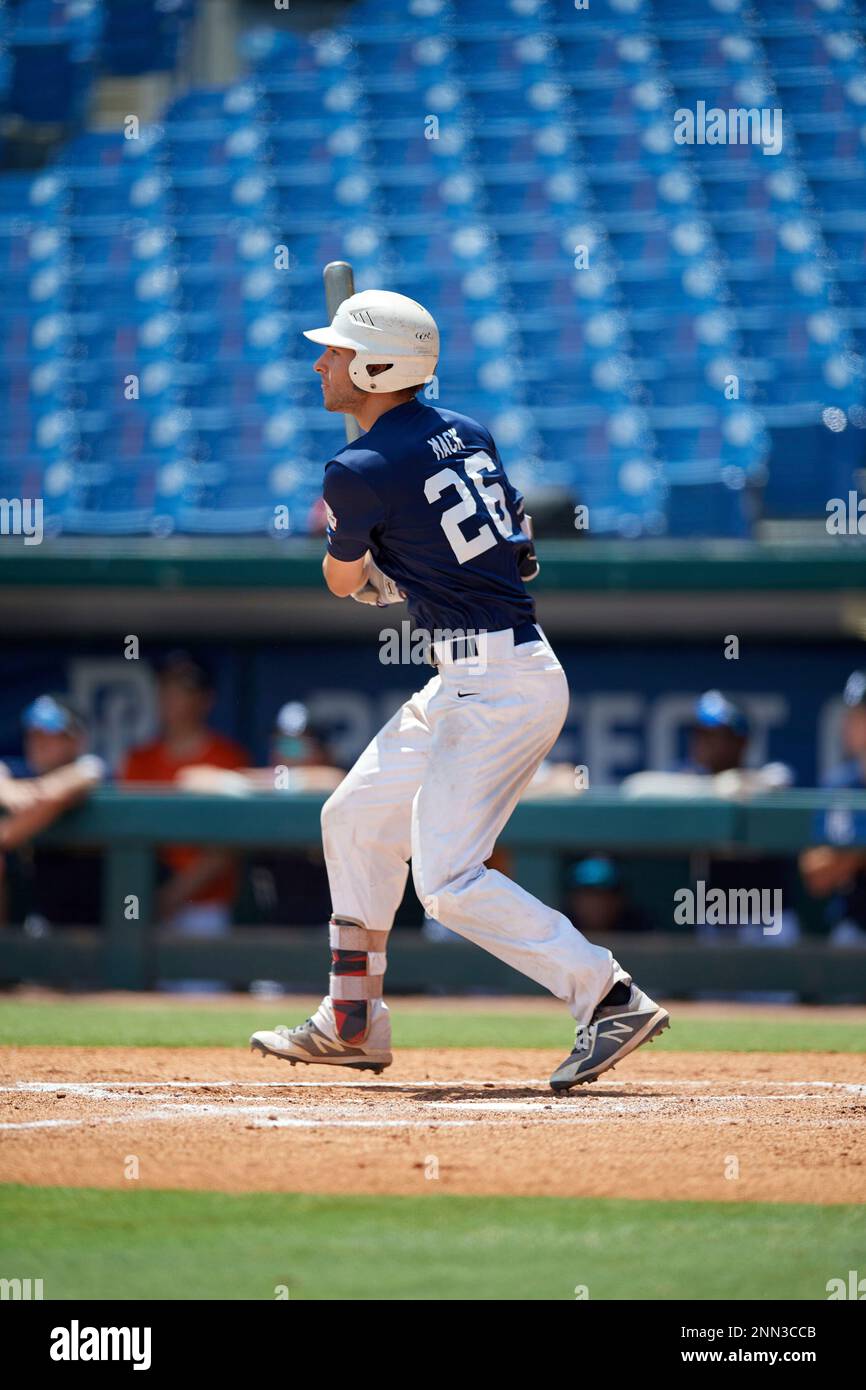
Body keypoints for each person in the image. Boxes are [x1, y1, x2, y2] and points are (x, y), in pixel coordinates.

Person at [250, 288, 669, 1091]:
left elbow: (341, 583)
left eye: (337, 351)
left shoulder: (356, 468)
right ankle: (352, 1017)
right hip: (482, 669)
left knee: (447, 882)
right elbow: (504, 550)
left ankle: (608, 994)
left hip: (497, 685)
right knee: (355, 816)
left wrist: (369, 564)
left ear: (379, 365)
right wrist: (398, 570)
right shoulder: (466, 433)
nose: (322, 362)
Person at [121, 652, 248, 989]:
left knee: (200, 1001)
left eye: (181, 688)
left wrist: (169, 898)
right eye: (165, 686)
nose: (170, 696)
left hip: (202, 908)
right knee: (127, 1001)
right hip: (141, 905)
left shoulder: (226, 758)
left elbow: (225, 850)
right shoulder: (139, 760)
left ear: (205, 699)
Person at [177, 700, 343, 926]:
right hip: (265, 934)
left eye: (295, 747)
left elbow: (329, 780)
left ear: (323, 752)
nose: (284, 754)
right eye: (279, 744)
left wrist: (272, 784)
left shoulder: (334, 783)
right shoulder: (262, 790)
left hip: (329, 933)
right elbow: (191, 779)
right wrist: (245, 784)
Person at [0, 695, 106, 932]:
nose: (38, 742)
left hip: (95, 924)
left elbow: (64, 787)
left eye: (50, 734)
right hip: (38, 921)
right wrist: (7, 789)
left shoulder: (88, 767)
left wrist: (23, 796)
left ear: (76, 740)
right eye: (33, 734)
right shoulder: (21, 772)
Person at [800, 671, 866, 943]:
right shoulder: (841, 784)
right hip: (856, 924)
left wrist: (848, 853)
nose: (853, 723)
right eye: (854, 714)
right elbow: (815, 875)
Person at [566, 858, 652, 936]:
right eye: (588, 895)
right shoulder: (561, 928)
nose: (595, 904)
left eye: (602, 896)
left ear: (618, 900)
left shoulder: (639, 927)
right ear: (574, 899)